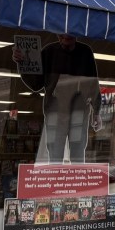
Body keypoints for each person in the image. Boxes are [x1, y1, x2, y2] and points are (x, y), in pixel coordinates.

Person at [13, 34, 102, 163]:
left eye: (70, 36)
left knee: (77, 152)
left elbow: (93, 82)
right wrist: (22, 63)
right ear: (58, 36)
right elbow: (36, 84)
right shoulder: (49, 52)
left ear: (76, 36)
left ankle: (76, 181)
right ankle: (56, 179)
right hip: (56, 113)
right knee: (55, 153)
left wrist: (97, 112)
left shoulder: (85, 52)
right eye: (62, 35)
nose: (65, 38)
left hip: (78, 112)